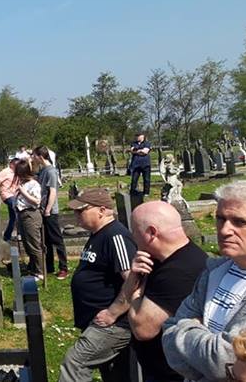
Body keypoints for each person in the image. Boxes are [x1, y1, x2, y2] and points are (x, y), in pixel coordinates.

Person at [163, 180, 246, 381]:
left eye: (240, 222)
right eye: (220, 219)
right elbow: (167, 337)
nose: (225, 230)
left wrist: (185, 328)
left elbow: (229, 358)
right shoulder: (215, 270)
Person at [103, 201, 207, 382]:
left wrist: (136, 294)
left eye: (134, 231)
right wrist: (134, 276)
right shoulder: (159, 258)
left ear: (151, 233)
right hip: (156, 369)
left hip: (171, 374)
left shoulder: (180, 271)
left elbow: (143, 329)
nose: (132, 237)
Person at [59, 188, 136, 382]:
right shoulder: (98, 234)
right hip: (96, 320)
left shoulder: (116, 236)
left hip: (114, 324)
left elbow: (134, 282)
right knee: (114, 373)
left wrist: (113, 313)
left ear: (101, 210)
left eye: (81, 211)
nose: (76, 215)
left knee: (75, 363)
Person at [34, 146, 69, 280]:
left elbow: (53, 192)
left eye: (34, 156)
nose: (33, 158)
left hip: (50, 211)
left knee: (56, 239)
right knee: (46, 240)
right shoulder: (43, 170)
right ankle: (49, 266)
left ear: (40, 156)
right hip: (42, 209)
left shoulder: (51, 172)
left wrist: (48, 209)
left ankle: (63, 267)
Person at [14, 159, 44, 279]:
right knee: (27, 244)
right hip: (22, 214)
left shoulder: (34, 184)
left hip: (31, 215)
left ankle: (40, 271)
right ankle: (32, 268)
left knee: (34, 244)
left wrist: (23, 192)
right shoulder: (24, 184)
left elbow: (36, 201)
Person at [0, 158, 21, 242]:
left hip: (15, 194)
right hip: (7, 195)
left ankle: (7, 236)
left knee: (13, 217)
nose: (18, 167)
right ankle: (21, 233)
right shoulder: (5, 172)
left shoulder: (17, 172)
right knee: (18, 211)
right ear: (11, 164)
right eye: (16, 165)